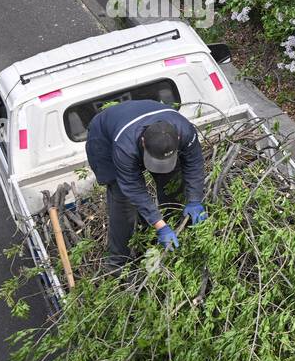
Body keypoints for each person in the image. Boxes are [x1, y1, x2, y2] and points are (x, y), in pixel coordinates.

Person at [84, 99, 207, 267]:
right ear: (143, 142)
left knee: (172, 182)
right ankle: (118, 264)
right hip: (104, 139)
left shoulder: (185, 130)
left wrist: (194, 200)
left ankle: (172, 232)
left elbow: (194, 163)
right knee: (123, 200)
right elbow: (133, 188)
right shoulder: (125, 147)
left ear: (177, 138)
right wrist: (159, 225)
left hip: (141, 128)